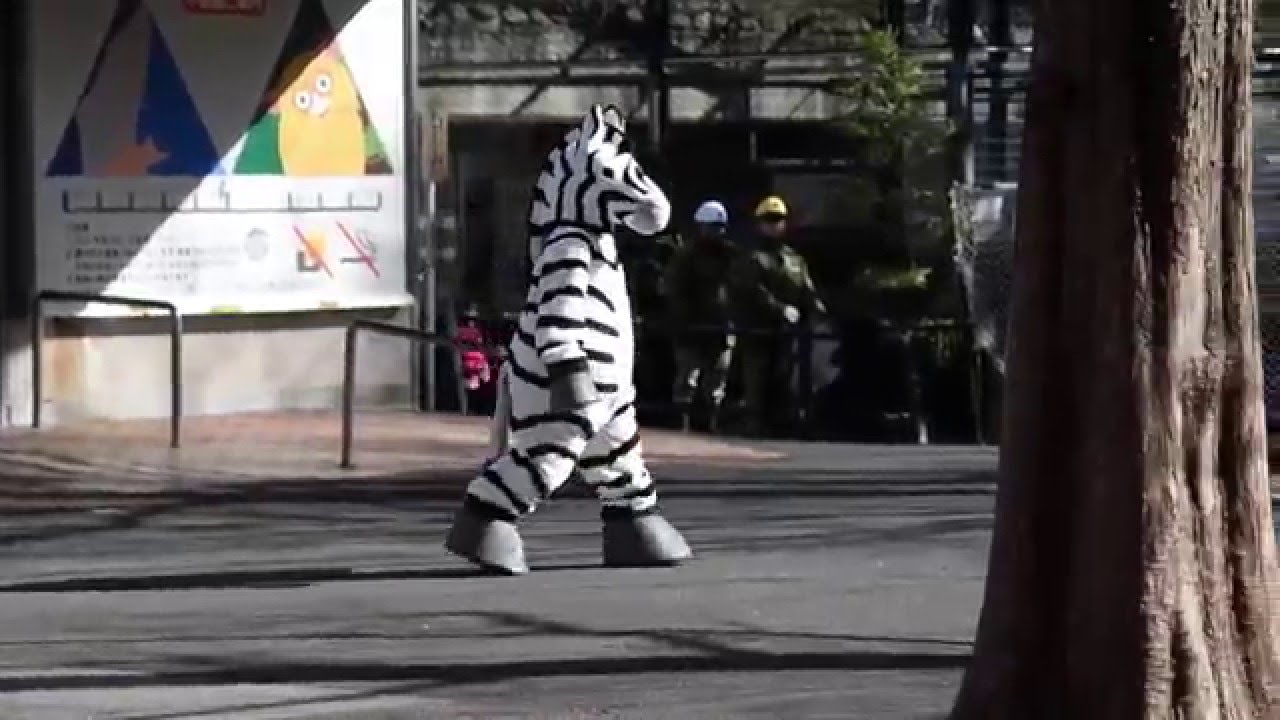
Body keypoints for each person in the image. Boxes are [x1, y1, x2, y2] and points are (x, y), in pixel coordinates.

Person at [728, 194, 827, 436]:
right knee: (757, 382)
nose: (774, 225)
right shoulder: (751, 258)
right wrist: (780, 309)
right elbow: (753, 291)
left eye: (778, 219)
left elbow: (806, 288)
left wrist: (818, 309)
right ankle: (754, 426)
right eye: (768, 220)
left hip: (788, 334)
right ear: (759, 224)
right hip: (758, 332)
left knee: (785, 381)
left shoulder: (794, 259)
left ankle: (785, 425)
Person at [665, 200, 738, 432]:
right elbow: (674, 289)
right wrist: (683, 319)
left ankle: (712, 424)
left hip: (721, 326)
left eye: (719, 227)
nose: (715, 232)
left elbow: (738, 286)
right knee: (687, 377)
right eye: (710, 227)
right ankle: (682, 424)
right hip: (691, 326)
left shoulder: (731, 255)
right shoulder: (685, 256)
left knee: (717, 379)